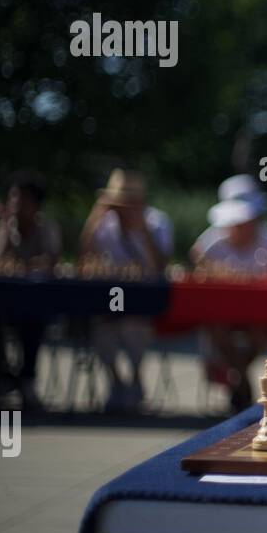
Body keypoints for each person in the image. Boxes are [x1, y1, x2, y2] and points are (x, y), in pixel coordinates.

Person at [79, 168, 173, 413]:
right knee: (101, 328)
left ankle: (134, 379)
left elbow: (162, 266)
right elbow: (84, 258)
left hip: (145, 303)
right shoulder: (105, 224)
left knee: (133, 326)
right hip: (109, 300)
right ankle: (115, 381)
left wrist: (143, 231)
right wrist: (95, 217)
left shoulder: (157, 222)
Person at [191, 176, 267, 412]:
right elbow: (197, 259)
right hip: (223, 314)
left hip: (257, 314)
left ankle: (238, 378)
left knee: (262, 331)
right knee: (214, 325)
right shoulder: (213, 239)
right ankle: (243, 379)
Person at [0, 170, 62, 409]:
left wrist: (22, 265)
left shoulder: (47, 228)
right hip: (1, 305)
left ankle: (26, 379)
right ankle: (0, 377)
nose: (17, 204)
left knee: (34, 320)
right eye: (13, 197)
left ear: (37, 205)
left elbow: (50, 260)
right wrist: (8, 226)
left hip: (33, 306)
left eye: (24, 199)